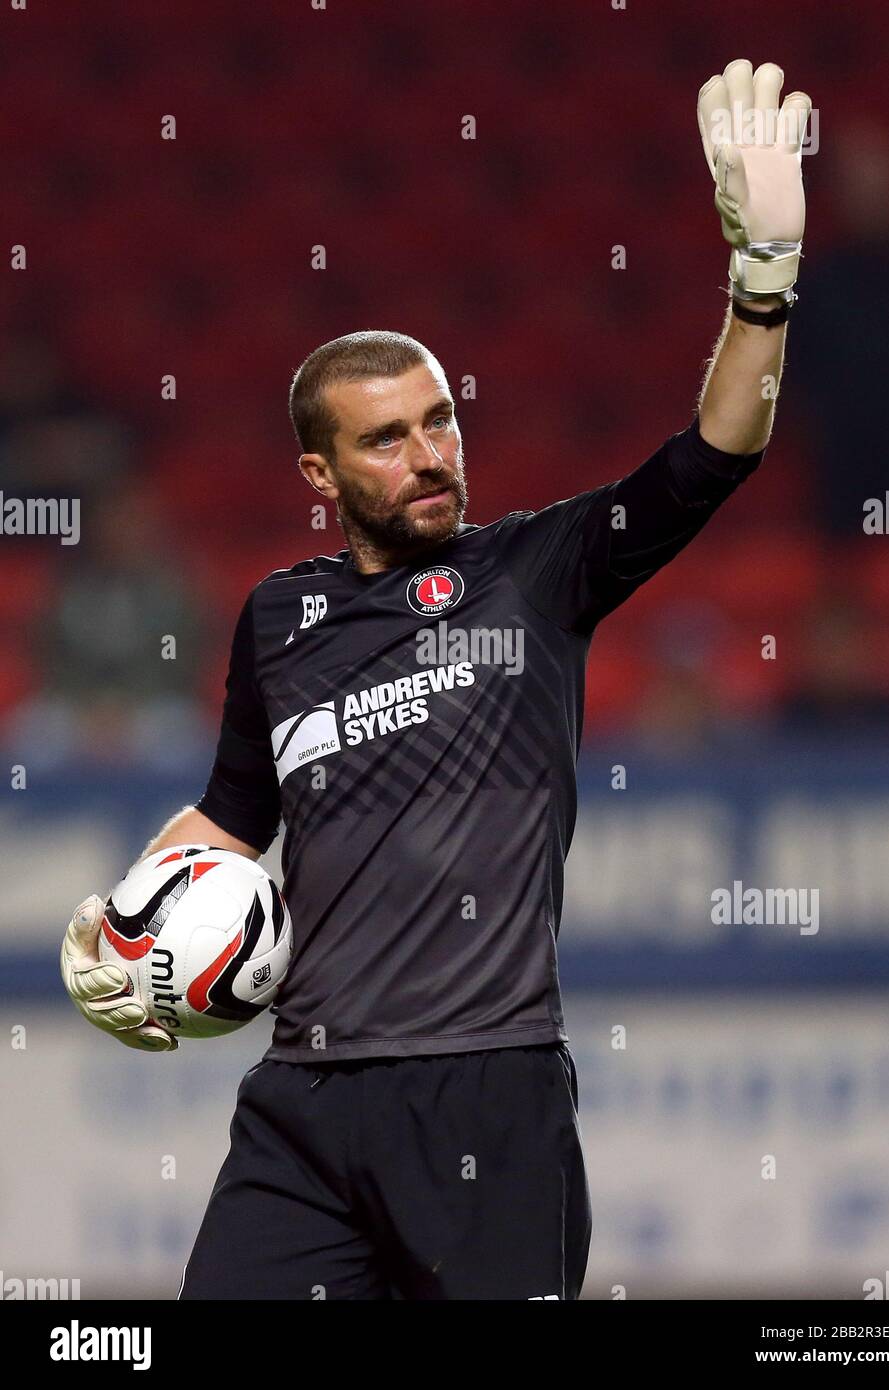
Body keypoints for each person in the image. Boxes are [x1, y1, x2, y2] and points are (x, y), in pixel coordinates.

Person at [60, 60, 812, 1300]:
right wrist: (123, 911)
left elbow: (715, 453)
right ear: (318, 470)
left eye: (440, 421)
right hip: (302, 1099)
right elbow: (238, 810)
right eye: (387, 437)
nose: (429, 455)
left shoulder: (537, 571)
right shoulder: (279, 617)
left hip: (489, 1084)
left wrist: (762, 288)